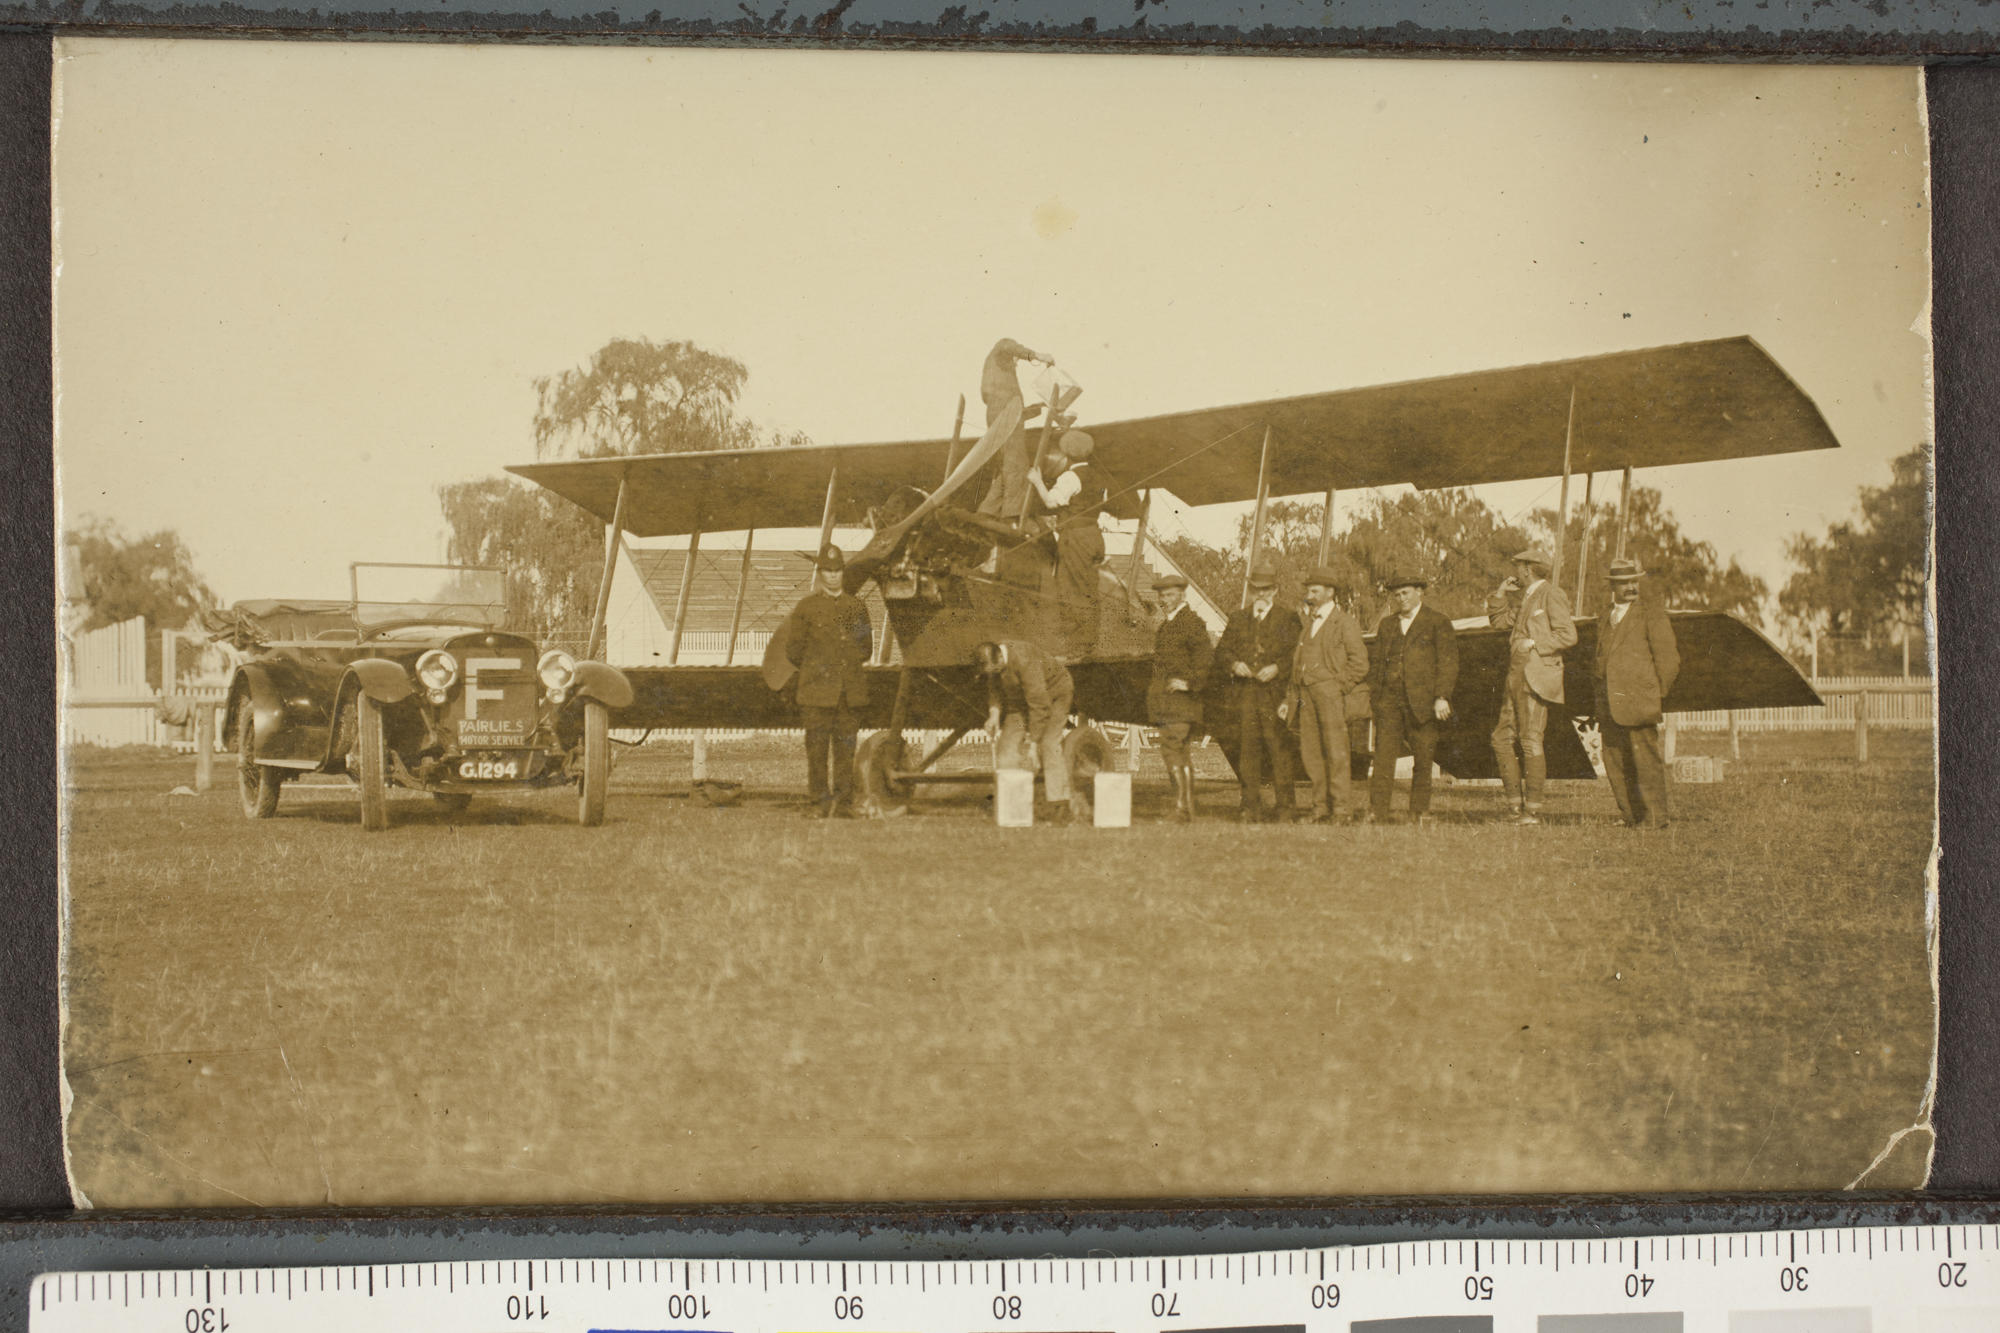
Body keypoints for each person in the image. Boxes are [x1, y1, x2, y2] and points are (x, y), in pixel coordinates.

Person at [780, 544, 873, 818]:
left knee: (846, 750)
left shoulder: (857, 607)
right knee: (817, 752)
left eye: (837, 571)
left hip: (848, 693)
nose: (833, 576)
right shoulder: (806, 608)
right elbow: (793, 651)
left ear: (843, 573)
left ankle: (843, 805)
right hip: (816, 693)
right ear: (819, 573)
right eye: (827, 571)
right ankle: (818, 805)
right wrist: (819, 668)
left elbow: (865, 648)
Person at [1486, 545, 1577, 824]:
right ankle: (1515, 807)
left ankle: (1532, 811)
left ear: (1527, 569)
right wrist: (1500, 594)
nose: (1516, 572)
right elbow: (1499, 622)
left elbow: (1568, 635)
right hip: (1515, 677)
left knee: (1530, 740)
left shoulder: (1551, 594)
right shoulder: (1526, 599)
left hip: (1536, 677)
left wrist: (1536, 644)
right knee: (1500, 739)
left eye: (1519, 567)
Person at [1367, 568, 1459, 825]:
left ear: (1419, 592)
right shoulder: (1387, 625)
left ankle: (1419, 812)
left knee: (1423, 758)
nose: (1401, 599)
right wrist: (1376, 698)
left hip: (1423, 704)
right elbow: (1376, 665)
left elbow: (1448, 663)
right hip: (1389, 703)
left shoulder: (1438, 622)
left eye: (1406, 593)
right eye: (1396, 595)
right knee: (1383, 758)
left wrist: (1442, 697)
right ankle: (1378, 812)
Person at [1593, 556, 1680, 828]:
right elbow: (1599, 661)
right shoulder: (1605, 616)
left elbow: (1669, 660)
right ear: (1613, 586)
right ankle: (1630, 815)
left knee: (1646, 760)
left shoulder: (1650, 614)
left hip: (1640, 701)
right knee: (1615, 760)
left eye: (1633, 581)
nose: (1631, 587)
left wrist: (1655, 693)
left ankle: (1656, 817)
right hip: (1610, 703)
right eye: (1624, 583)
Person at [1214, 559, 1300, 822]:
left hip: (1275, 695)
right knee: (1247, 750)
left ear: (1275, 590)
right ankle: (1250, 806)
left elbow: (1295, 654)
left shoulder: (1288, 618)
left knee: (1278, 751)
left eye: (1266, 590)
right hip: (1246, 695)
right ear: (1251, 591)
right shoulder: (1238, 618)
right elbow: (1222, 651)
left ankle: (1285, 807)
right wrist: (1234, 664)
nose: (1261, 594)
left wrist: (1276, 668)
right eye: (1257, 590)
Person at [1280, 566, 1367, 824]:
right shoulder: (1308, 625)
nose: (1310, 594)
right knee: (1311, 753)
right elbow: (1297, 665)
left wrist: (1337, 687)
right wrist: (1289, 699)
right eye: (1308, 590)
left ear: (1330, 592)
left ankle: (1341, 810)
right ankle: (1319, 809)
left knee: (1336, 753)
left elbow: (1360, 663)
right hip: (1305, 696)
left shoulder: (1345, 623)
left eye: (1315, 590)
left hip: (1330, 697)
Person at [976, 638, 1077, 823]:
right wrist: (993, 714)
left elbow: (1040, 704)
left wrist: (1033, 745)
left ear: (1000, 657)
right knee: (1006, 746)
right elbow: (994, 690)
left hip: (1054, 695)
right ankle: (1011, 803)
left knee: (1049, 744)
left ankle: (1060, 806)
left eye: (995, 669)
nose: (993, 673)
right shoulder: (993, 663)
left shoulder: (1023, 658)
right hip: (1021, 703)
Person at [1029, 429, 1106, 659]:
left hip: (1076, 538)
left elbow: (1052, 501)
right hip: (1093, 534)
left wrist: (1036, 481)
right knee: (1087, 588)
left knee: (1071, 589)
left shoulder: (1070, 477)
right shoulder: (1097, 476)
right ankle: (1086, 644)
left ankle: (1077, 648)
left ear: (1067, 455)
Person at [1146, 571, 1212, 823]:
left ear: (1182, 595)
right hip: (1168, 703)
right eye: (1162, 596)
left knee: (1173, 749)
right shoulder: (1167, 625)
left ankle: (1182, 809)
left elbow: (1206, 661)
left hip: (1181, 703)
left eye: (1170, 595)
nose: (1164, 600)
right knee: (1178, 752)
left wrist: (1189, 684)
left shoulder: (1191, 623)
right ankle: (1186, 807)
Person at [974, 338, 1055, 520]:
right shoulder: (1001, 349)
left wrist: (1039, 407)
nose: (1017, 363)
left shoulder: (999, 389)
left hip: (1003, 416)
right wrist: (1037, 356)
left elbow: (1014, 414)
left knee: (1007, 466)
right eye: (1016, 360)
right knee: (1017, 464)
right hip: (1006, 415)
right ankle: (1013, 514)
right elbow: (1007, 345)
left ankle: (988, 510)